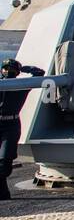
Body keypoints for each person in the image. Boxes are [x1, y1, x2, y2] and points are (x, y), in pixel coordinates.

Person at [0, 58, 45, 201]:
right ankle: (3, 194)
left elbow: (39, 73)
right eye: (5, 69)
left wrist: (24, 68)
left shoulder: (22, 85)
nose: (8, 72)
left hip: (11, 126)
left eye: (11, 69)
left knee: (5, 162)